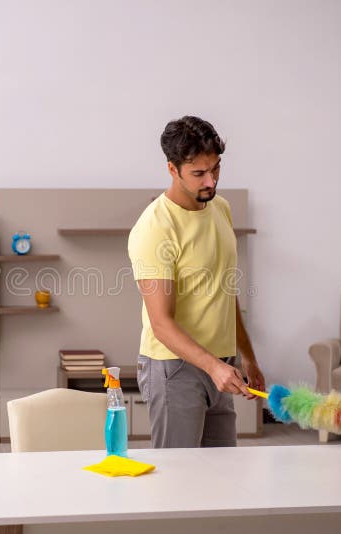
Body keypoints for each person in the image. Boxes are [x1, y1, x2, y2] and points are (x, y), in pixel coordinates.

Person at [128, 115, 265, 448]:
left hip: (221, 364)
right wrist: (214, 368)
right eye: (199, 173)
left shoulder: (221, 209)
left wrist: (246, 356)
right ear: (173, 170)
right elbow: (161, 323)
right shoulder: (156, 228)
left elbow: (223, 291)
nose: (211, 181)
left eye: (216, 169)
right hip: (174, 369)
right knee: (178, 483)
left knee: (221, 478)